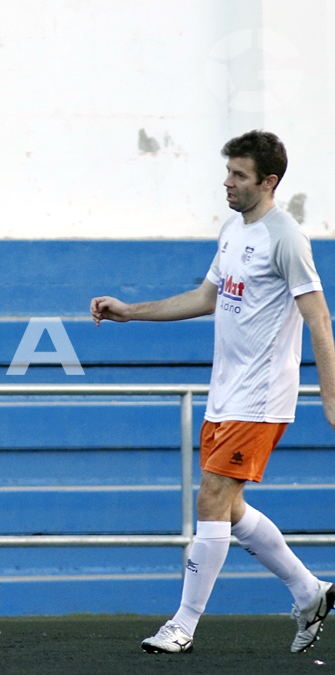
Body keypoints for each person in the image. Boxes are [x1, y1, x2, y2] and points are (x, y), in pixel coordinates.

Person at [90, 130, 335, 654]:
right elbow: (206, 296)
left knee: (211, 498)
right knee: (231, 507)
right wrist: (130, 311)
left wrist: (331, 398)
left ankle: (183, 625)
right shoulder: (233, 230)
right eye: (228, 172)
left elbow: (319, 320)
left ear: (268, 182)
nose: (227, 182)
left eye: (239, 175)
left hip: (261, 395)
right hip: (225, 392)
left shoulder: (286, 237)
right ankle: (309, 590)